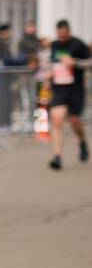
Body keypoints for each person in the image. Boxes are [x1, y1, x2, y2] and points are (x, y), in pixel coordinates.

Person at [46, 19, 90, 169]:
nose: (62, 38)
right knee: (57, 119)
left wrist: (75, 63)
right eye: (60, 35)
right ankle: (57, 156)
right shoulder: (54, 45)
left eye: (65, 35)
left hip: (75, 89)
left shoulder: (78, 44)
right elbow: (51, 63)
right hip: (59, 88)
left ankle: (83, 141)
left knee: (74, 121)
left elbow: (89, 62)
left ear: (69, 32)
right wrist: (49, 73)